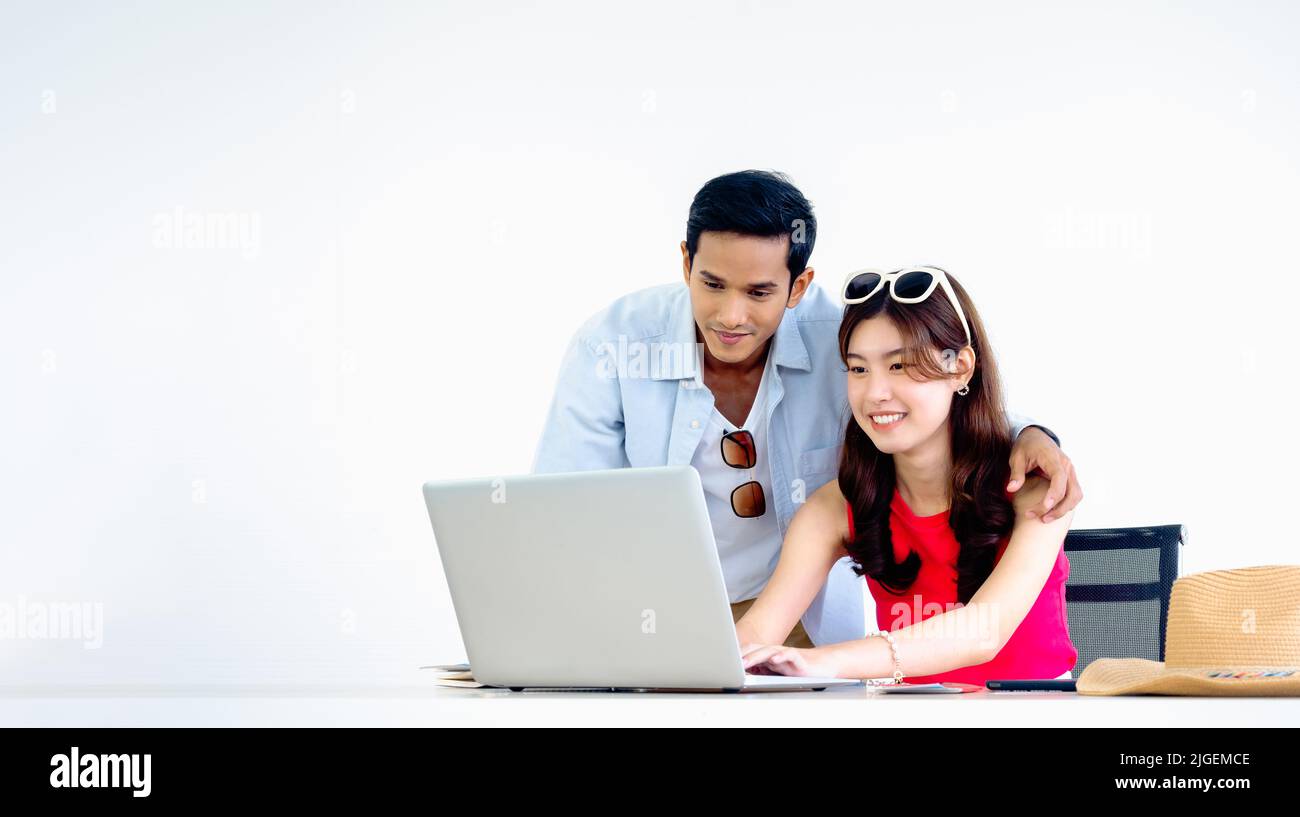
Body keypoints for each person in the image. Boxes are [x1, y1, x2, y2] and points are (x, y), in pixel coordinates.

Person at [534, 171, 1081, 648]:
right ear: (686, 263)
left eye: (759, 292)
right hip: (648, 609)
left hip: (794, 614)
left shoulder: (839, 340)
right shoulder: (616, 342)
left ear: (799, 286)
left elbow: (937, 397)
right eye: (712, 283)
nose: (730, 315)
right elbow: (565, 503)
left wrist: (1033, 433)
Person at [737, 266, 1078, 681]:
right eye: (859, 369)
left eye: (899, 366)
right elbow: (757, 632)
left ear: (960, 368)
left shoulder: (1033, 483)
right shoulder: (836, 505)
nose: (875, 393)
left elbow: (983, 632)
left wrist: (827, 661)